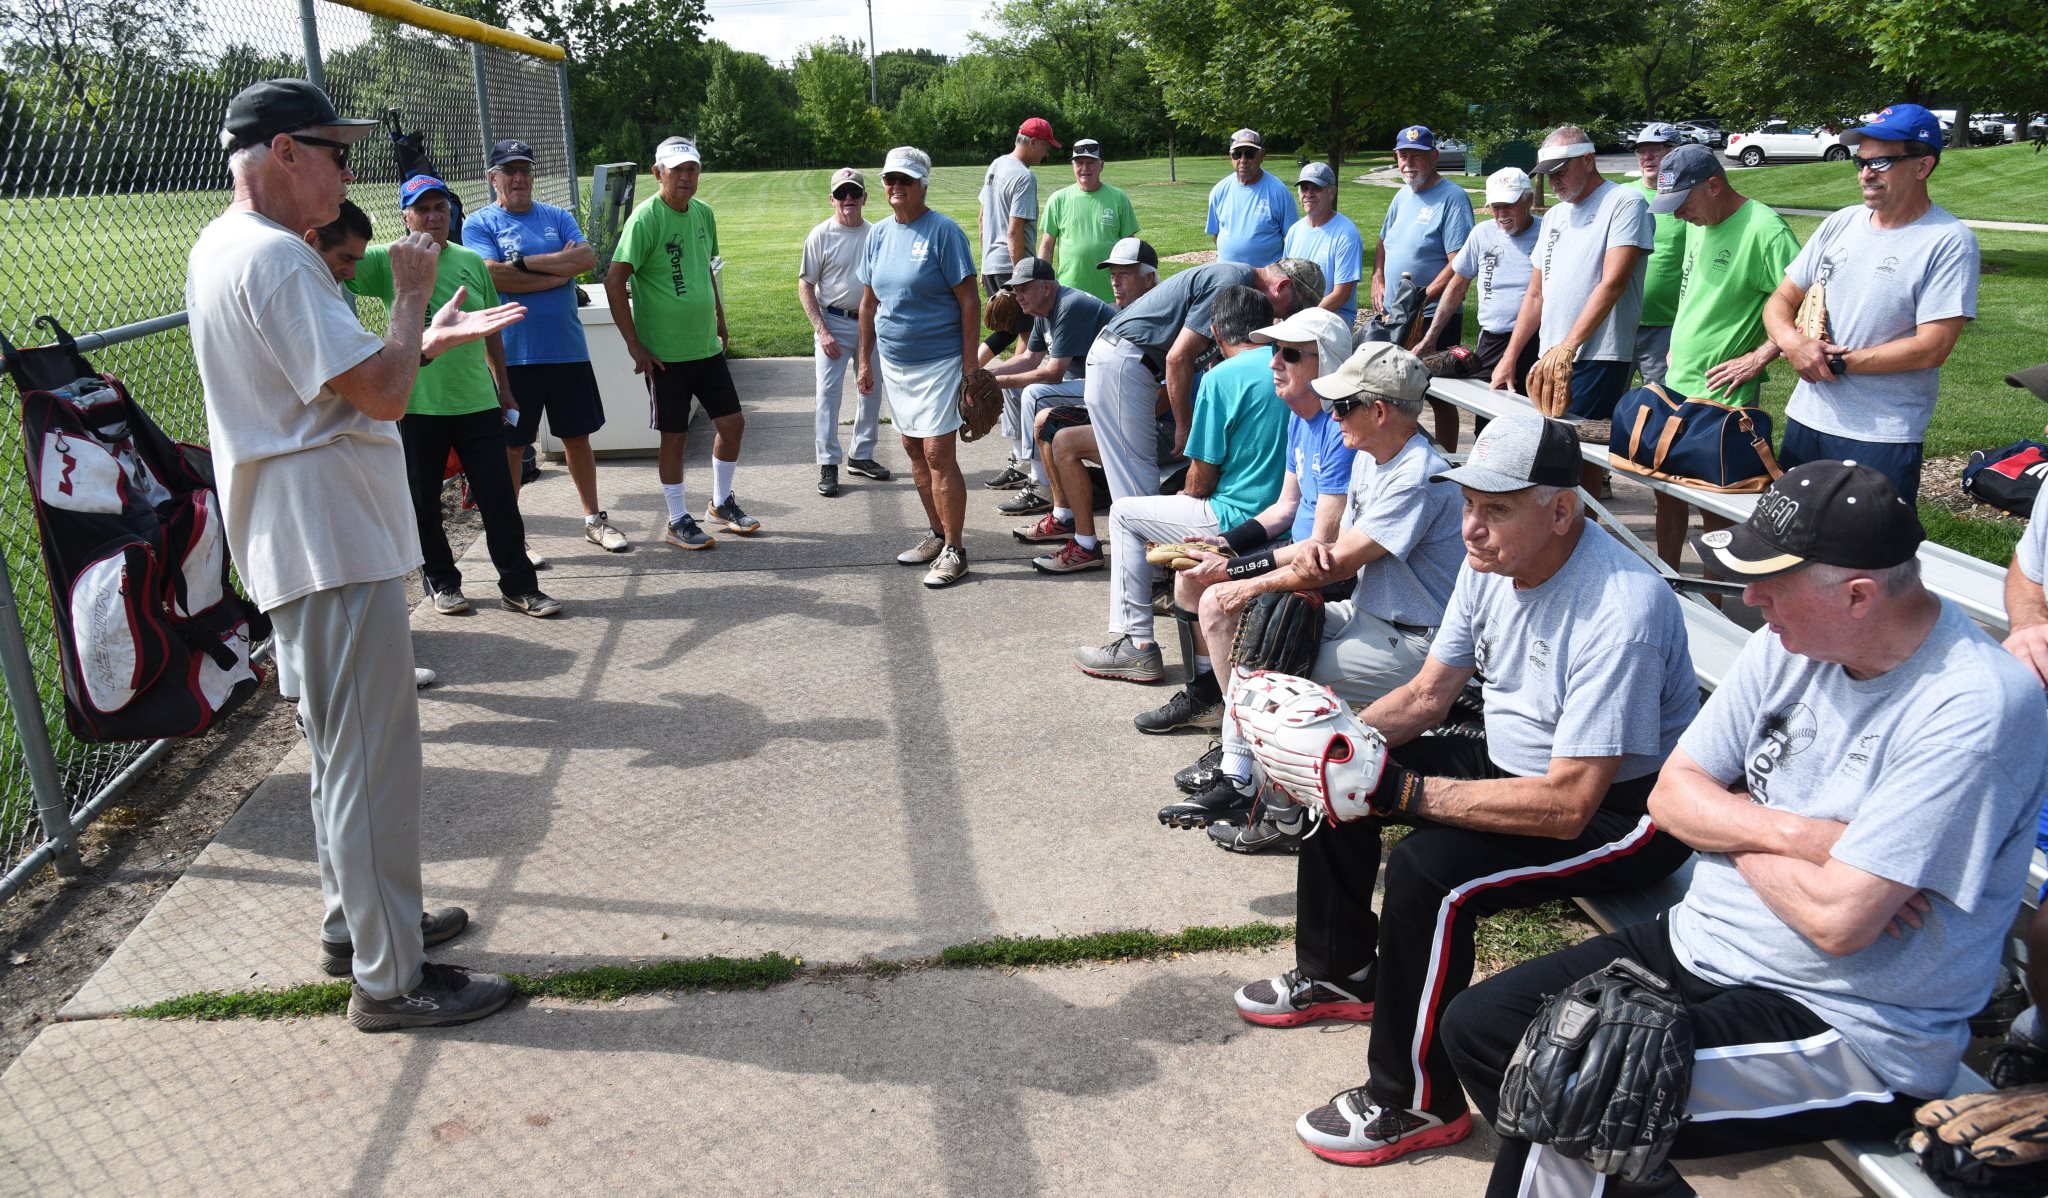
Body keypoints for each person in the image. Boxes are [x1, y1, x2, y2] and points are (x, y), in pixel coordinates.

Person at [1446, 461, 2048, 1196]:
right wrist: (1798, 835)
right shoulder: (1792, 638)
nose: (1752, 600)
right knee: (1482, 1025)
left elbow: (1838, 920)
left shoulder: (1974, 706)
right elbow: (1672, 795)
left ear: (1858, 595)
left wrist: (1727, 819)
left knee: (1582, 1087)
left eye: (1772, 584)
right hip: (1706, 941)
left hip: (1851, 1021)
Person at [1233, 411, 1697, 1169]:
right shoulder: (1493, 566)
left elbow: (1571, 802)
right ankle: (1340, 971)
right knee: (1344, 778)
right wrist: (1329, 750)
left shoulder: (1622, 608)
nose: (1471, 529)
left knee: (1429, 873)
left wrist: (1407, 794)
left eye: (1497, 508)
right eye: (1469, 504)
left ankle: (1417, 1101)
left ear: (1561, 509)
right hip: (1522, 764)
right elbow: (1425, 697)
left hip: (1624, 811)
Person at [188, 78, 521, 1029]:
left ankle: (361, 925)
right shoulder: (280, 260)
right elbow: (377, 393)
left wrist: (419, 336)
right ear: (285, 151)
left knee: (341, 753)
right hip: (327, 537)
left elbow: (338, 376)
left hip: (302, 537)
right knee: (372, 761)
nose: (347, 171)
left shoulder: (231, 244)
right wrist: (412, 303)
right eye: (334, 152)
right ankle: (392, 978)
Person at [1165, 344, 1464, 859]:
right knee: (1248, 638)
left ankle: (1278, 816)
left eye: (1343, 405)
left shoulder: (1417, 474)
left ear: (1380, 411)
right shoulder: (1375, 457)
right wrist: (1234, 566)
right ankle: (1243, 774)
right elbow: (1321, 552)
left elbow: (1338, 562)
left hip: (1417, 639)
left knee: (1278, 690)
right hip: (1371, 615)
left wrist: (1248, 583)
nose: (1333, 413)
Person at [350, 174, 564, 619]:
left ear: (452, 213)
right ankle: (443, 582)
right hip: (416, 403)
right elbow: (337, 262)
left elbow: (490, 332)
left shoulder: (469, 260)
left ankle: (519, 586)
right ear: (404, 216)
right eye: (422, 209)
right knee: (423, 500)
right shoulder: (389, 259)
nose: (433, 217)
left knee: (500, 498)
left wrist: (503, 386)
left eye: (441, 208)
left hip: (476, 402)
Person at [1072, 295, 1309, 689]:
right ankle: (1204, 683)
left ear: (1214, 333)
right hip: (1286, 512)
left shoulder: (1221, 376)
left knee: (1124, 514)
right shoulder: (1291, 367)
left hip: (1237, 515)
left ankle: (1137, 642)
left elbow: (1202, 478)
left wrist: (1183, 495)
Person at [1762, 103, 1979, 503]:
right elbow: (1781, 299)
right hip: (1806, 420)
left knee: (1868, 558)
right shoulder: (1840, 222)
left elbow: (1932, 347)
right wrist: (1794, 345)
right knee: (1791, 548)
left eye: (1880, 161)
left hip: (1881, 435)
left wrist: (1833, 362)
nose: (1865, 173)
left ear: (1922, 166)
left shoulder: (1948, 241)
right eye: (1860, 162)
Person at [462, 138, 629, 555]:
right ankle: (512, 535)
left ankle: (594, 519)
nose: (519, 178)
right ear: (493, 177)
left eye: (525, 170)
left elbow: (587, 258)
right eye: (509, 171)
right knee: (514, 446)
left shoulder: (556, 216)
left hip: (567, 350)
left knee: (577, 437)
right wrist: (557, 271)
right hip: (514, 353)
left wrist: (522, 264)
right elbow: (492, 276)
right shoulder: (479, 224)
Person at [299, 200, 439, 692]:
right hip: (315, 488)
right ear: (312, 241)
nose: (353, 271)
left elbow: (367, 372)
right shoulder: (299, 284)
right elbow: (382, 395)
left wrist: (423, 346)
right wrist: (411, 297)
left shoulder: (317, 285)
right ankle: (325, 698)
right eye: (347, 258)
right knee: (333, 620)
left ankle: (362, 679)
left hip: (337, 481)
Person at [1647, 144, 1802, 566]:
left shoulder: (1765, 229)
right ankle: (1670, 580)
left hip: (1724, 396)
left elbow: (1805, 306)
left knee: (1716, 506)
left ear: (1714, 185)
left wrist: (1759, 356)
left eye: (1683, 203)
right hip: (1676, 381)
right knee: (1666, 490)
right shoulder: (1699, 221)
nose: (1678, 215)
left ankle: (1713, 603)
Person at [1078, 255, 1323, 518]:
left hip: (1132, 362)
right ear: (1283, 286)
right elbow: (1177, 357)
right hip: (1124, 361)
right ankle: (1140, 555)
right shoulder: (1230, 281)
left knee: (1139, 475)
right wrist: (1184, 427)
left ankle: (1143, 549)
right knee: (1136, 485)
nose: (1286, 317)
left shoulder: (1238, 280)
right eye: (1294, 308)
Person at [605, 136, 757, 551]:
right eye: (677, 170)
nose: (686, 177)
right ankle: (675, 520)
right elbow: (614, 280)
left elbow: (707, 270)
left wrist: (721, 320)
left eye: (692, 169)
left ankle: (721, 502)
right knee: (674, 437)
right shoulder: (645, 219)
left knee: (732, 423)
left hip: (705, 346)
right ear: (658, 174)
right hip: (665, 356)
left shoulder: (704, 215)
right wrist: (635, 345)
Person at [1496, 125, 1655, 491]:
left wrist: (1569, 346)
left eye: (1560, 170)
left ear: (1588, 160)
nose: (1553, 181)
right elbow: (1535, 294)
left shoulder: (1625, 203)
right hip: (1550, 355)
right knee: (1551, 459)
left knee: (1579, 462)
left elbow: (1612, 282)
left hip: (1599, 355)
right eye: (1547, 174)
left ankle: (1582, 537)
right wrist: (1511, 356)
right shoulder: (1554, 215)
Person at [856, 145, 981, 588]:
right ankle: (937, 535)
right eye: (890, 179)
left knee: (936, 453)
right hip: (896, 362)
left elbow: (970, 300)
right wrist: (864, 360)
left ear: (923, 185)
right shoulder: (878, 235)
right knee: (912, 450)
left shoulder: (944, 232)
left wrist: (970, 367)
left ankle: (956, 550)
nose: (896, 187)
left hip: (940, 361)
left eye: (905, 180)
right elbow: (869, 303)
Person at [1012, 238, 1162, 555]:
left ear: (1149, 278)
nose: (1115, 281)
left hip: (1148, 425)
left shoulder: (1159, 317)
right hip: (1112, 407)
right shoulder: (1124, 314)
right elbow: (1029, 360)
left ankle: (1084, 541)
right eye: (1112, 274)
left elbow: (1164, 390)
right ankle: (1065, 517)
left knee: (1048, 414)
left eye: (1126, 273)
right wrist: (981, 374)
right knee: (1047, 421)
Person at [982, 256, 1115, 519]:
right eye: (1016, 290)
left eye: (1024, 288)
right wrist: (985, 374)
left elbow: (1053, 374)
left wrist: (994, 382)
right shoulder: (1043, 310)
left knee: (1033, 392)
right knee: (1016, 388)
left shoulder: (1069, 306)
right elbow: (1028, 359)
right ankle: (1023, 460)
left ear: (1046, 287)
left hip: (1110, 386)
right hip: (1086, 381)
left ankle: (1039, 486)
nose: (1018, 296)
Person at [1417, 167, 1540, 449]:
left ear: (1529, 200)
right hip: (1491, 340)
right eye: (1495, 207)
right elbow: (1457, 286)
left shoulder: (1547, 233)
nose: (1501, 214)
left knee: (1529, 427)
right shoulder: (1482, 233)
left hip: (1535, 342)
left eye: (1509, 205)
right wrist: (1430, 338)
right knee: (1488, 428)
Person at [1376, 125, 1475, 450]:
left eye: (1417, 156)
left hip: (1433, 315)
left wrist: (1425, 295)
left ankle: (1444, 462)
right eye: (1403, 155)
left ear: (1434, 157)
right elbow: (1382, 241)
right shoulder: (1401, 195)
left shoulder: (1452, 198)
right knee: (1396, 390)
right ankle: (1408, 453)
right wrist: (1378, 276)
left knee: (1438, 393)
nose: (1408, 162)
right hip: (1398, 315)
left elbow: (1459, 261)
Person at [798, 166, 892, 498]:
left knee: (871, 389)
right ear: (832, 199)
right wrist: (822, 331)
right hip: (833, 322)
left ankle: (861, 455)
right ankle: (828, 462)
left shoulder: (877, 233)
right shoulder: (820, 235)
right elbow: (805, 286)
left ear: (865, 197)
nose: (848, 199)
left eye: (854, 193)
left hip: (871, 322)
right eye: (841, 193)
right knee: (828, 394)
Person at [979, 117, 1058, 344]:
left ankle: (970, 372)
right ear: (1033, 142)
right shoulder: (1024, 177)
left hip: (994, 264)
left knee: (1007, 330)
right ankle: (1018, 380)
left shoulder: (996, 164)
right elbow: (1014, 232)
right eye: (1046, 146)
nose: (1047, 153)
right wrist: (1020, 278)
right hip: (1012, 266)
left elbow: (982, 219)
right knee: (1030, 332)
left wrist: (986, 263)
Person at [1037, 137, 1138, 306]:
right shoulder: (1058, 199)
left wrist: (1131, 288)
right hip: (1069, 294)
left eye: (1090, 162)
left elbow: (1131, 247)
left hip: (1111, 295)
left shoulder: (1118, 198)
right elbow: (1047, 246)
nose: (1084, 168)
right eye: (1079, 163)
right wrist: (1042, 283)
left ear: (1101, 165)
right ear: (1072, 166)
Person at [1629, 123, 1687, 387]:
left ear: (1675, 153)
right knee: (1603, 404)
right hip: (1620, 320)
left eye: (1656, 150)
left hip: (1667, 324)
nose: (1647, 157)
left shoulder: (1688, 199)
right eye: (1642, 151)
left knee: (1661, 403)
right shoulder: (1624, 196)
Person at [1283, 162, 1363, 327]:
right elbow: (1285, 279)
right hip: (1297, 316)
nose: (1309, 194)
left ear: (1331, 192)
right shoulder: (1294, 231)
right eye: (1304, 188)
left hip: (1334, 316)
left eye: (1316, 188)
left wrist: (1301, 320)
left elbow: (1341, 295)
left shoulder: (1346, 233)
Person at [1207, 129, 1298, 268]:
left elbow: (1293, 239)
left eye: (1249, 154)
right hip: (1227, 275)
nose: (1243, 160)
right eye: (1237, 154)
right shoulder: (1219, 191)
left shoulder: (1279, 192)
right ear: (1230, 157)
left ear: (1261, 155)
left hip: (1266, 279)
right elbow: (1216, 234)